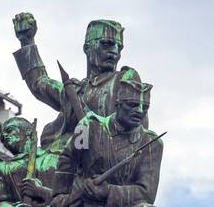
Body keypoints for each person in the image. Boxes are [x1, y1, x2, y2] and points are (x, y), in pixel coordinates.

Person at [51, 69, 161, 207]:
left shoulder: (152, 144)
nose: (139, 111)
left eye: (144, 107)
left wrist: (108, 192)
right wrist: (61, 195)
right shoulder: (89, 126)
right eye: (132, 105)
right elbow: (68, 158)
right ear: (118, 103)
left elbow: (145, 192)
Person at [12, 13, 129, 145]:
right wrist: (26, 41)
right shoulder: (75, 90)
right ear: (87, 48)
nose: (114, 51)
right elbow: (39, 83)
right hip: (69, 158)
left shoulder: (124, 83)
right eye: (106, 44)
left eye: (118, 47)